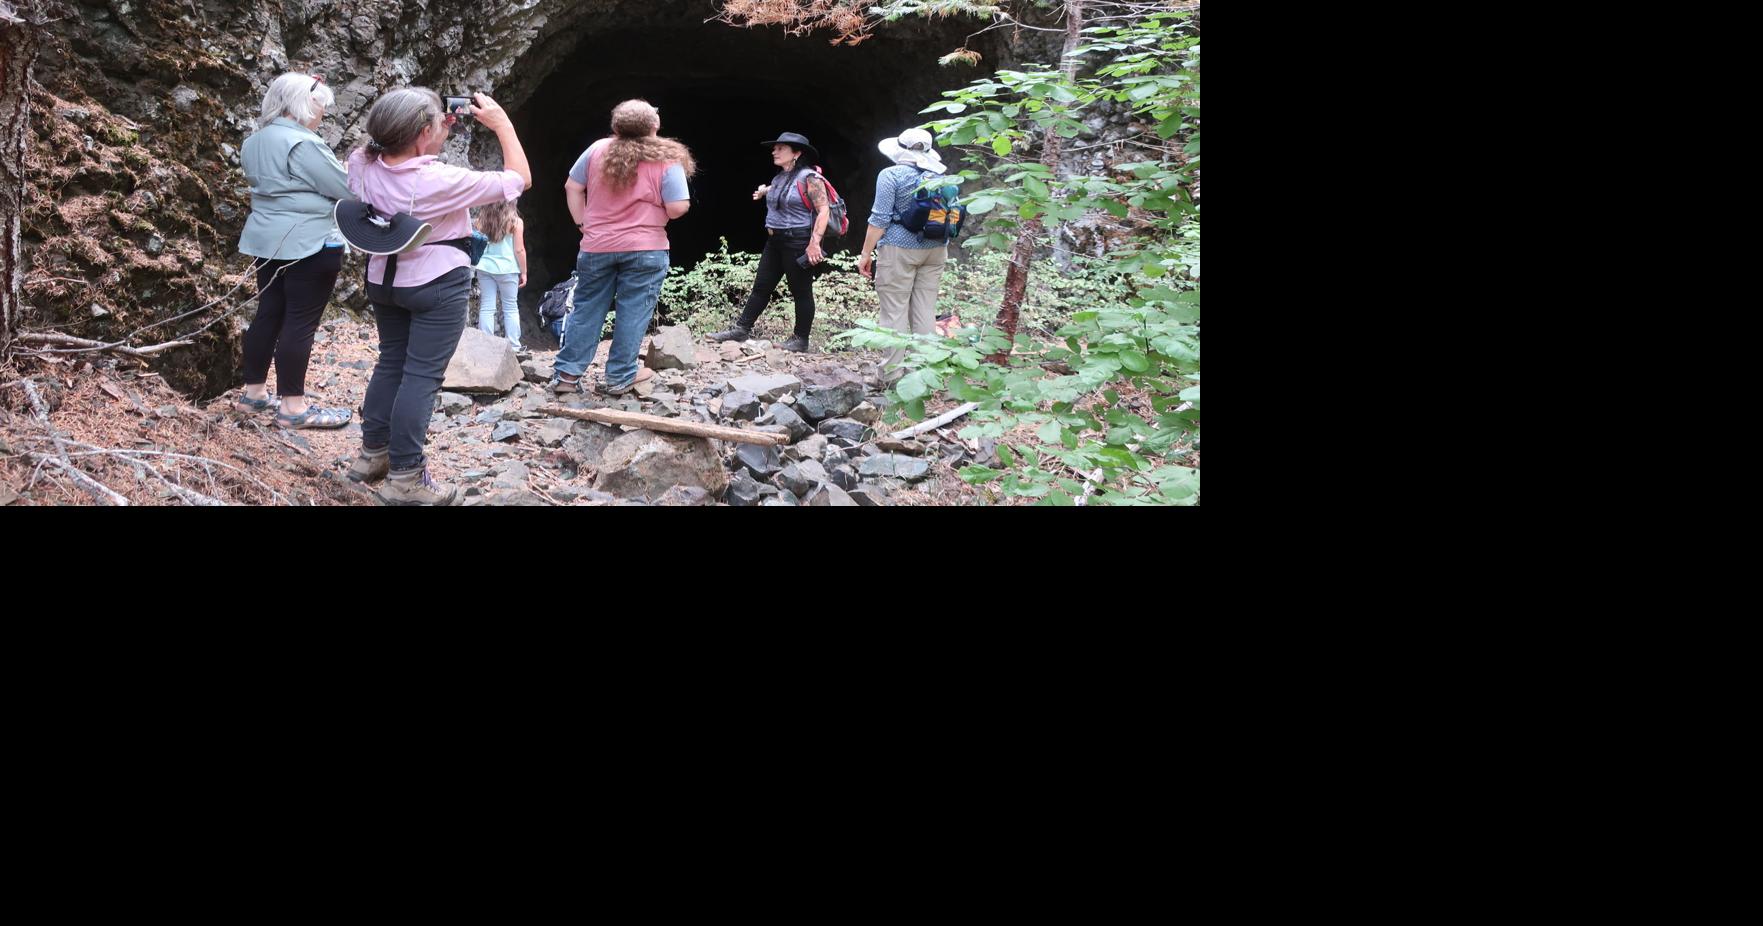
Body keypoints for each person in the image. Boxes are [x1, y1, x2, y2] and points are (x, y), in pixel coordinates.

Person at [342, 88, 531, 505]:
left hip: (383, 277)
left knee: (390, 361)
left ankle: (371, 455)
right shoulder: (439, 179)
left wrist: (429, 133)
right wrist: (502, 124)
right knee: (422, 376)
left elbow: (382, 150)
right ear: (421, 134)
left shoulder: (362, 161)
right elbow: (520, 178)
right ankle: (406, 478)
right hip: (436, 282)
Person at [235, 71, 354, 428]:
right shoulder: (304, 144)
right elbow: (347, 189)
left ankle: (252, 394)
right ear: (303, 103)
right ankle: (293, 407)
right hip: (310, 239)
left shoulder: (254, 142)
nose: (321, 115)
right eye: (319, 106)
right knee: (300, 321)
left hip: (265, 238)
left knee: (268, 312)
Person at [552, 99, 694, 395]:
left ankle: (566, 377)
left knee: (586, 309)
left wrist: (583, 223)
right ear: (654, 126)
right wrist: (655, 213)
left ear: (616, 126)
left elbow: (572, 187)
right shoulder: (667, 158)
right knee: (633, 311)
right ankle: (619, 377)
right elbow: (679, 207)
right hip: (646, 247)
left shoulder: (595, 150)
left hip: (596, 245)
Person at [707, 132, 828, 353]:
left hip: (797, 240)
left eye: (781, 148)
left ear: (797, 153)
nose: (774, 151)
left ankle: (801, 339)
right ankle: (741, 329)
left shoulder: (811, 178)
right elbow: (783, 190)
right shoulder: (779, 178)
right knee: (761, 286)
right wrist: (765, 191)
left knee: (800, 291)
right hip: (775, 241)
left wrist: (815, 243)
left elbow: (823, 210)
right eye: (775, 148)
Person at [856, 128, 953, 382]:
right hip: (936, 249)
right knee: (925, 310)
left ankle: (890, 375)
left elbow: (879, 219)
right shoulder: (940, 176)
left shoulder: (891, 175)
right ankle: (923, 374)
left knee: (894, 311)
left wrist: (865, 253)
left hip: (899, 249)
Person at [472, 199, 527, 348]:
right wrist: (524, 272)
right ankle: (514, 346)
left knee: (487, 306)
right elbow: (519, 250)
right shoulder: (515, 222)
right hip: (508, 269)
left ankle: (486, 345)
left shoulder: (480, 222)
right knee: (510, 307)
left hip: (485, 267)